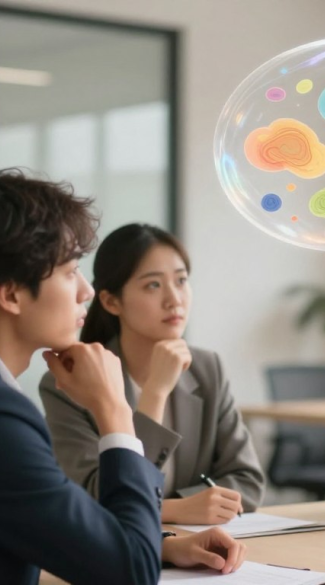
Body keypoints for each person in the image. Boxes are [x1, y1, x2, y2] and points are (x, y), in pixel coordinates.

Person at [0, 170, 245, 585]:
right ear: (11, 294)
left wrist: (160, 545)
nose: (86, 292)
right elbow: (130, 574)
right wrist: (115, 412)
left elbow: (44, 523)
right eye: (70, 271)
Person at [40, 223, 264, 525]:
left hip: (201, 547)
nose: (175, 299)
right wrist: (156, 392)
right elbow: (91, 496)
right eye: (153, 285)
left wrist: (179, 505)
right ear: (111, 301)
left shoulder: (207, 368)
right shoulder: (69, 381)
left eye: (181, 280)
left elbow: (247, 479)